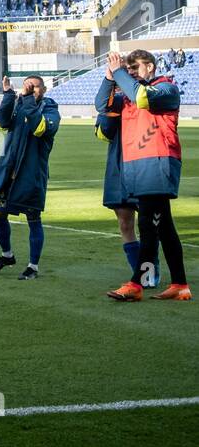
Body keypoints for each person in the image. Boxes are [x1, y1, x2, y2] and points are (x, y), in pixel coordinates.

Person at [105, 50, 189, 301]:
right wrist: (110, 79)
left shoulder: (166, 89)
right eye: (127, 68)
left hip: (157, 163)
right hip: (140, 166)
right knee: (163, 228)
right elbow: (103, 105)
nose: (130, 71)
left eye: (134, 67)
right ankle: (180, 285)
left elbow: (141, 97)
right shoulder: (133, 93)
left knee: (148, 226)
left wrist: (120, 73)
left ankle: (136, 284)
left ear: (150, 66)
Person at [0, 77, 60, 280]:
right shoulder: (18, 104)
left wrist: (27, 100)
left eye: (34, 86)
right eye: (26, 86)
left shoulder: (50, 109)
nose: (29, 89)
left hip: (31, 174)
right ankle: (7, 255)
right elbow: (0, 122)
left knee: (33, 220)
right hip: (7, 171)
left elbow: (39, 128)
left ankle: (33, 266)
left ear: (43, 89)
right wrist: (9, 95)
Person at [94, 69, 158, 287]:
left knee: (150, 225)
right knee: (124, 222)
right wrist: (109, 82)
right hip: (119, 165)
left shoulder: (152, 95)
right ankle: (139, 275)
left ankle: (151, 271)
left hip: (144, 164)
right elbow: (104, 131)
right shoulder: (116, 102)